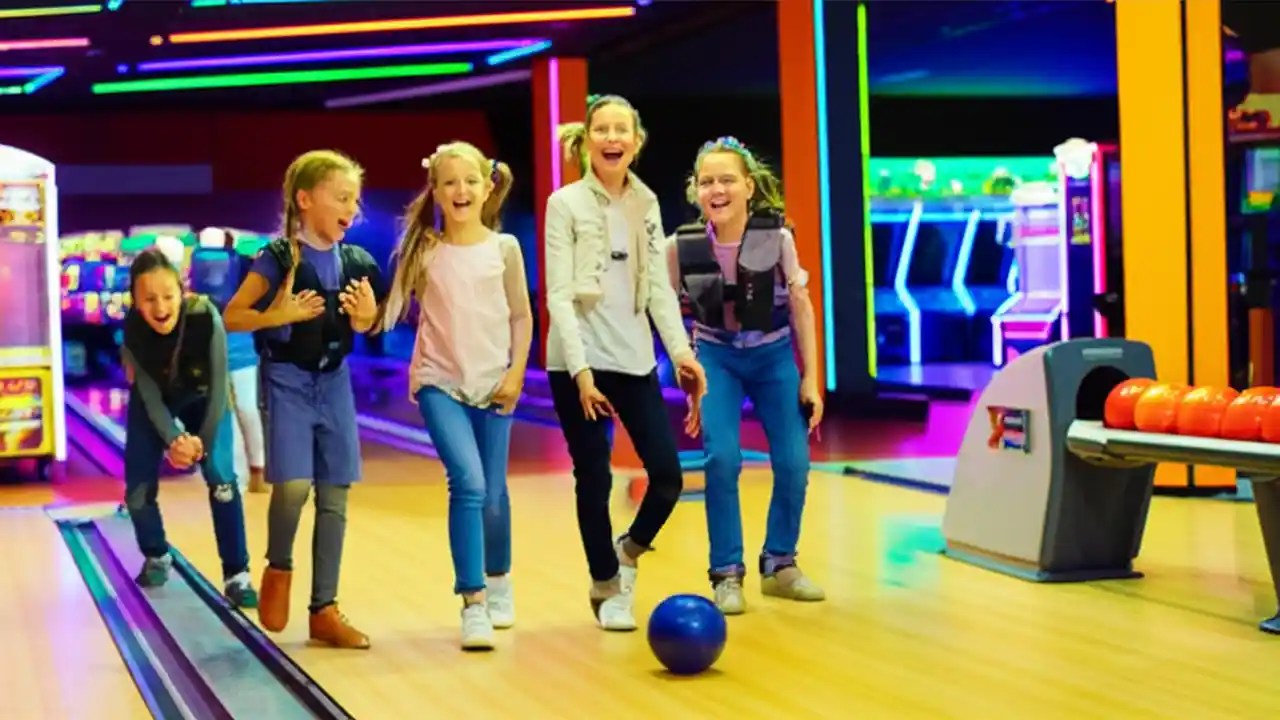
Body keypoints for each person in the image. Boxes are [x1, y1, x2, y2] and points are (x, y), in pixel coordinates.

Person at [544, 94, 707, 632]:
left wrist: (681, 353)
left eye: (622, 130)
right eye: (602, 129)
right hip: (578, 363)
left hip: (634, 357)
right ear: (587, 141)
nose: (612, 138)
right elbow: (560, 295)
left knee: (667, 478)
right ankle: (607, 584)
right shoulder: (564, 204)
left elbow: (658, 287)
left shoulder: (647, 202)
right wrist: (582, 369)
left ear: (636, 142)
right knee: (592, 476)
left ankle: (629, 551)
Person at [224, 149, 385, 650]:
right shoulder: (277, 259)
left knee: (335, 494)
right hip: (288, 380)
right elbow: (232, 316)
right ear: (305, 199)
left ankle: (324, 610)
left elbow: (373, 321)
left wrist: (367, 319)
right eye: (341, 198)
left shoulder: (357, 262)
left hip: (334, 382)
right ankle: (278, 567)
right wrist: (278, 314)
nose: (351, 210)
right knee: (293, 487)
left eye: (355, 201)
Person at [382, 141, 531, 650]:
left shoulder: (505, 248)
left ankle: (499, 579)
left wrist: (516, 373)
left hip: (493, 382)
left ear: (488, 186)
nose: (460, 190)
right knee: (467, 482)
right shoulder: (424, 249)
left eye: (470, 180)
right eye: (450, 182)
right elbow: (390, 310)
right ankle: (472, 603)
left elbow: (521, 316)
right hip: (438, 381)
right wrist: (358, 318)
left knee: (493, 491)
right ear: (437, 191)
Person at [667, 136, 826, 614]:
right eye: (707, 181)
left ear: (750, 187)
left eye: (727, 180)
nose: (717, 189)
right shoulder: (680, 247)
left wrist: (810, 379)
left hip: (774, 357)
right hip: (716, 358)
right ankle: (726, 573)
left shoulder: (777, 238)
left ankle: (780, 564)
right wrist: (690, 380)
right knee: (722, 460)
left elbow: (801, 307)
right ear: (695, 191)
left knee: (795, 463)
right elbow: (668, 316)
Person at [120, 248, 256, 607]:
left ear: (183, 292)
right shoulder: (133, 330)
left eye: (168, 295)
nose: (160, 306)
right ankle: (156, 553)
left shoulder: (204, 316)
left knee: (222, 479)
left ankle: (237, 574)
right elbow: (149, 395)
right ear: (135, 300)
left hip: (204, 399)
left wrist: (200, 447)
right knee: (137, 491)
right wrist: (174, 440)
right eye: (148, 299)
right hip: (157, 403)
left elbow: (217, 386)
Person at [223, 230, 268, 494]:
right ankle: (229, 474)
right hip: (212, 349)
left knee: (246, 409)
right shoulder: (196, 271)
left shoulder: (245, 269)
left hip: (240, 350)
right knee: (226, 414)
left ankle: (257, 472)